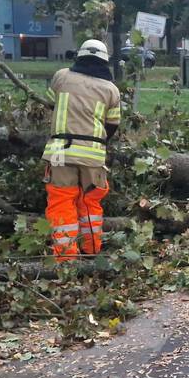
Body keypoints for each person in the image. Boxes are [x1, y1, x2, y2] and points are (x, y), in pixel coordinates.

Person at [41, 39, 122, 262]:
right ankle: (91, 251)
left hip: (60, 152)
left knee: (61, 201)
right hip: (93, 155)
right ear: (105, 62)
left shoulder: (61, 77)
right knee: (90, 203)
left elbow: (50, 103)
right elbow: (112, 125)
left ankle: (66, 259)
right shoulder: (111, 90)